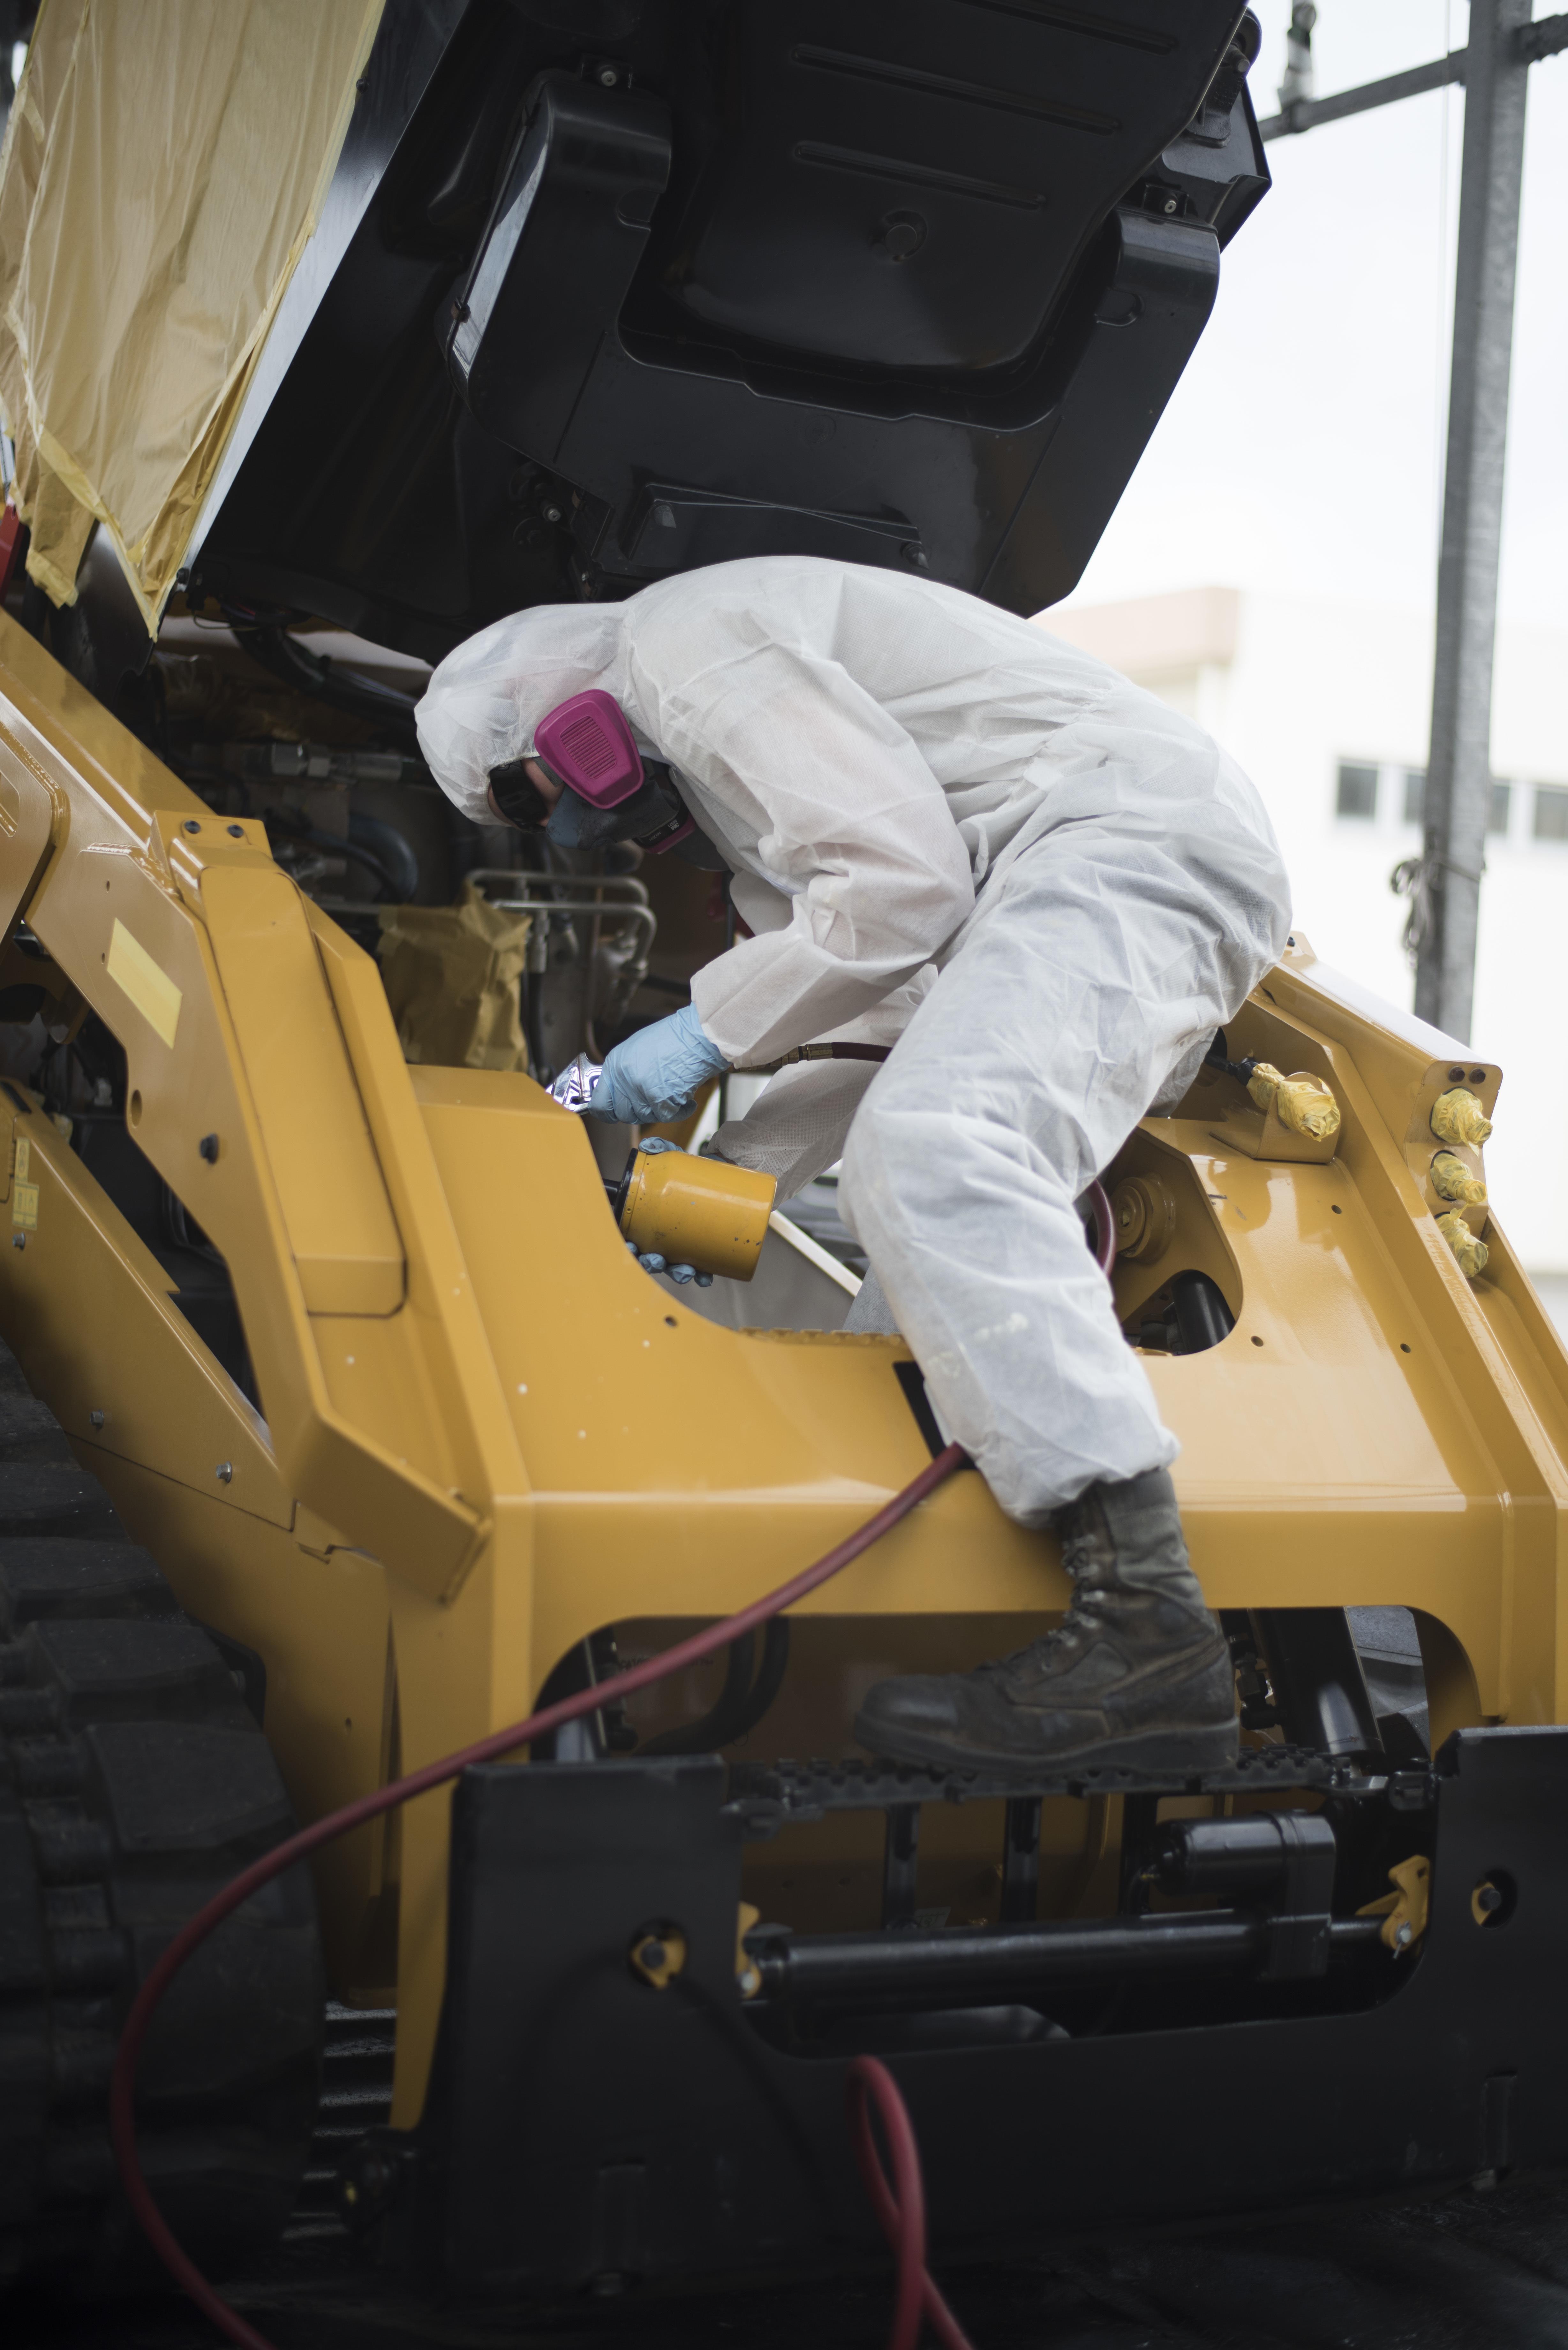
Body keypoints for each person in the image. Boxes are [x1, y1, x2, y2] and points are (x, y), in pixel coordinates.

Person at [414, 556, 1291, 1774]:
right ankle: (966, 1634)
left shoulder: (684, 645)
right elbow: (868, 1011)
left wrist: (695, 1035)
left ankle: (1150, 1627)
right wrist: (728, 1182)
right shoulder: (729, 774)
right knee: (897, 1286)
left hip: (1118, 837)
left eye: (538, 793)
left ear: (550, 709)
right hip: (1048, 868)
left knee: (937, 1150)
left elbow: (900, 892)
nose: (569, 823)